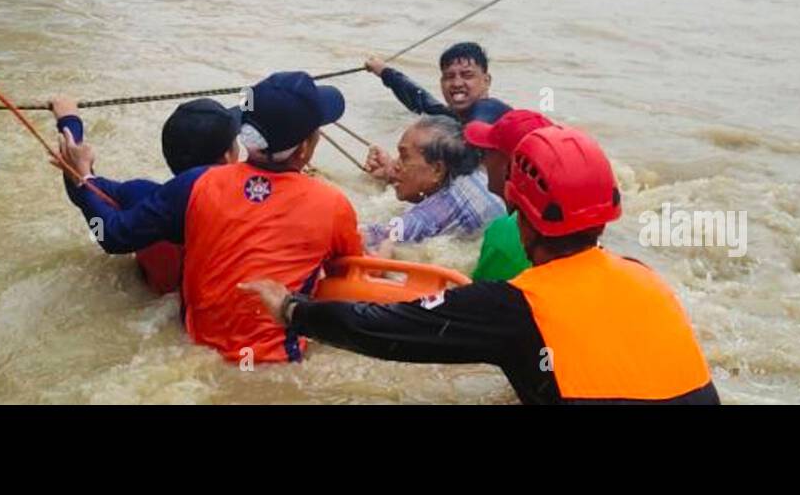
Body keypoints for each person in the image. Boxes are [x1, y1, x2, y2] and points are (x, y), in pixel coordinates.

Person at [242, 125, 719, 405]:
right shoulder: (646, 276)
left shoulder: (514, 305)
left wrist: (291, 309)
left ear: (520, 214)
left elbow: (384, 331)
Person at [54, 71, 363, 363]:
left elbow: (112, 234)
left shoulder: (194, 184)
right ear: (306, 147)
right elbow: (350, 276)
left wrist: (81, 170)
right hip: (280, 364)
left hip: (193, 347)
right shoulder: (334, 204)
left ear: (246, 138)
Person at [49, 95, 242, 294]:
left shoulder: (142, 196)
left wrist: (69, 123)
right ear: (228, 157)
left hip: (152, 299)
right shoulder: (247, 201)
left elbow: (88, 204)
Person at [360, 115, 505, 250]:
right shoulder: (477, 174)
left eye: (404, 157)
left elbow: (381, 236)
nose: (396, 164)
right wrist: (389, 174)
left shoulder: (444, 206)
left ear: (437, 169)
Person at [463, 109, 554, 281]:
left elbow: (479, 301)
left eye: (486, 153)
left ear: (507, 167)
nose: (483, 162)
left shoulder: (507, 233)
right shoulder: (570, 222)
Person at [364, 41, 511, 124]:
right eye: (449, 76)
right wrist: (384, 71)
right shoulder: (452, 117)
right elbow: (421, 100)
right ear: (441, 82)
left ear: (486, 81)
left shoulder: (494, 114)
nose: (457, 83)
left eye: (467, 75)